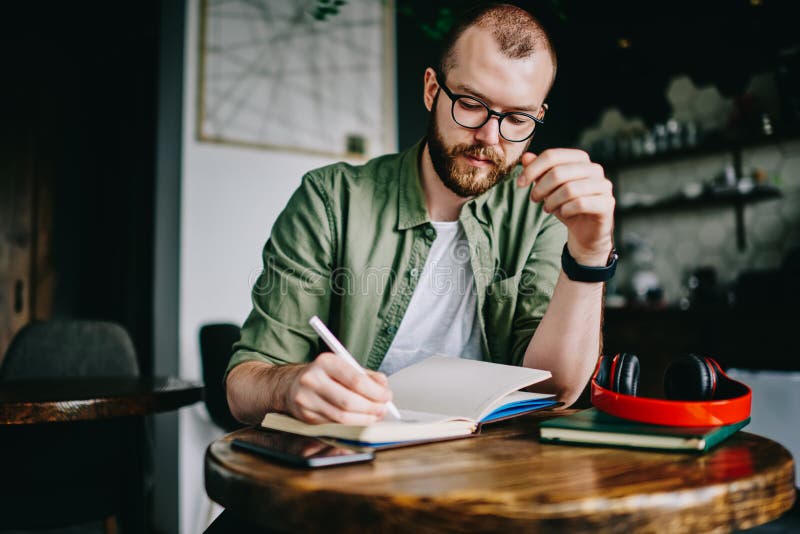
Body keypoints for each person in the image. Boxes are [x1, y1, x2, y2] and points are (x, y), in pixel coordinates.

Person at [225, 3, 616, 426]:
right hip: (356, 466)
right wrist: (290, 387)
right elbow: (243, 387)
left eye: (517, 118)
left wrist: (590, 253)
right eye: (470, 103)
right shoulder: (331, 199)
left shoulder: (542, 212)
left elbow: (555, 390)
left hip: (495, 474)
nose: (489, 136)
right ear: (432, 90)